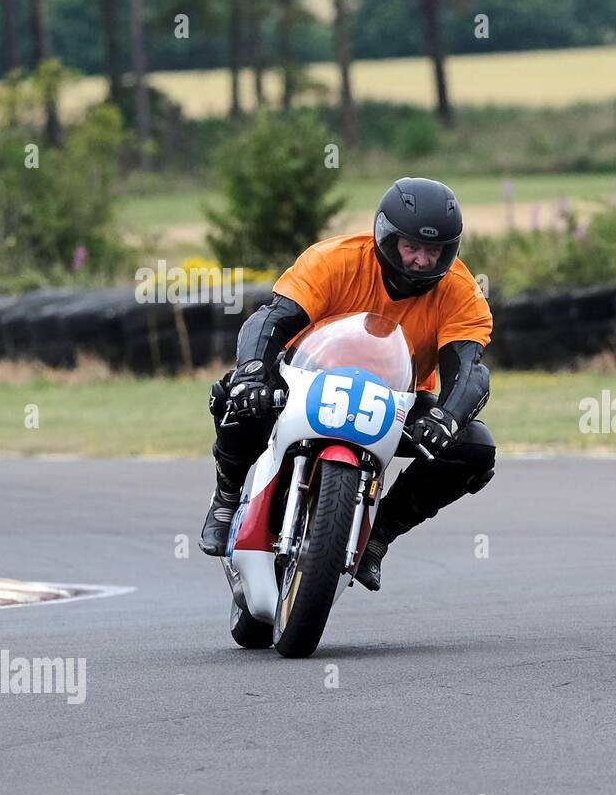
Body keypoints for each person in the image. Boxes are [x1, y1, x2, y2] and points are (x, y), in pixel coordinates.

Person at [199, 177, 495, 591]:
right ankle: (227, 497)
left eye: (433, 252)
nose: (420, 261)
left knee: (475, 449)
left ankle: (377, 538)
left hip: (397, 402)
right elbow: (269, 320)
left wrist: (448, 417)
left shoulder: (461, 292)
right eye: (411, 247)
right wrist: (251, 371)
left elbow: (468, 369)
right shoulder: (334, 260)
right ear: (386, 236)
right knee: (239, 391)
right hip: (305, 380)